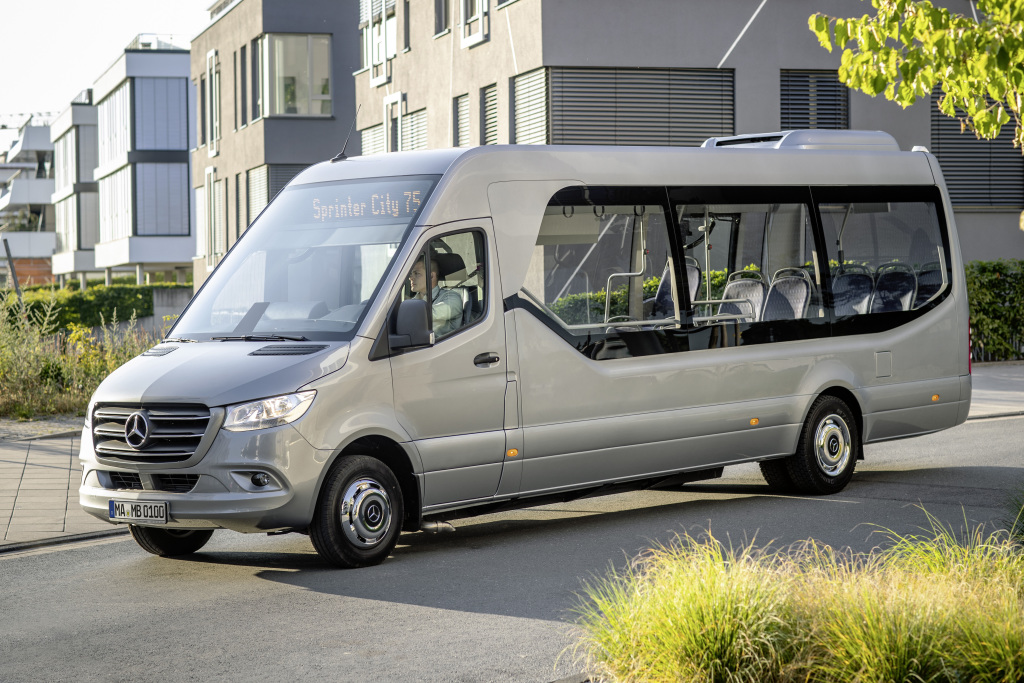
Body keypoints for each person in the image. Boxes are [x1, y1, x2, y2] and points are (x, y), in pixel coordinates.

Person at [408, 256, 463, 336]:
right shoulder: (412, 302)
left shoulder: (452, 298)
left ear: (431, 276)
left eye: (417, 273)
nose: (411, 278)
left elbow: (430, 314)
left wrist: (403, 312)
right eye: (411, 274)